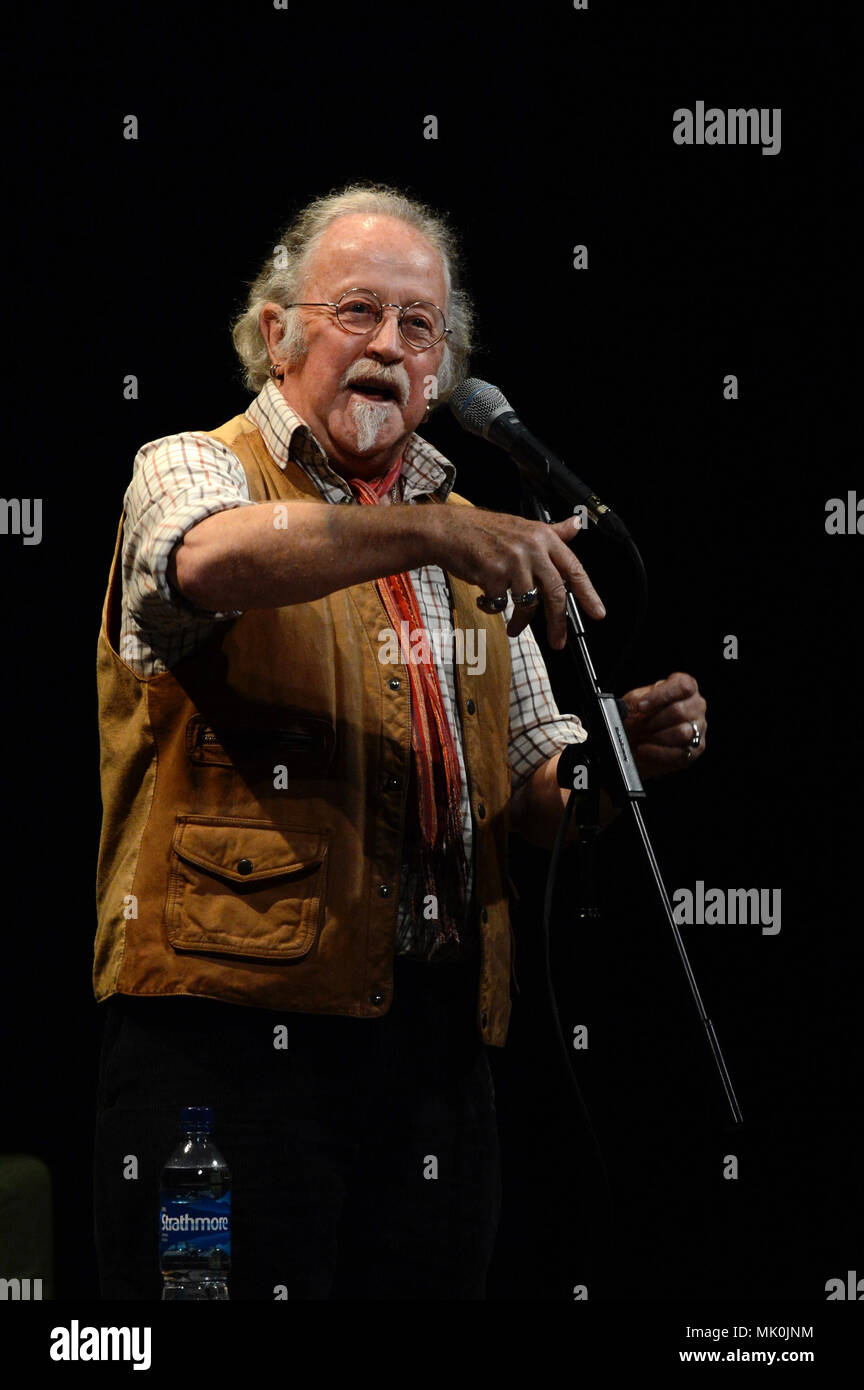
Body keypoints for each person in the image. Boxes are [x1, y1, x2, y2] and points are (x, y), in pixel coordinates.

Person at [92, 182, 707, 1300]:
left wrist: (615, 756)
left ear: (443, 369)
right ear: (276, 332)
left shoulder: (467, 533)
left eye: (417, 327)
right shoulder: (195, 463)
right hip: (227, 1049)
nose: (388, 345)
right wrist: (435, 531)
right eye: (356, 312)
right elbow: (205, 561)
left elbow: (534, 786)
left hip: (433, 1061)